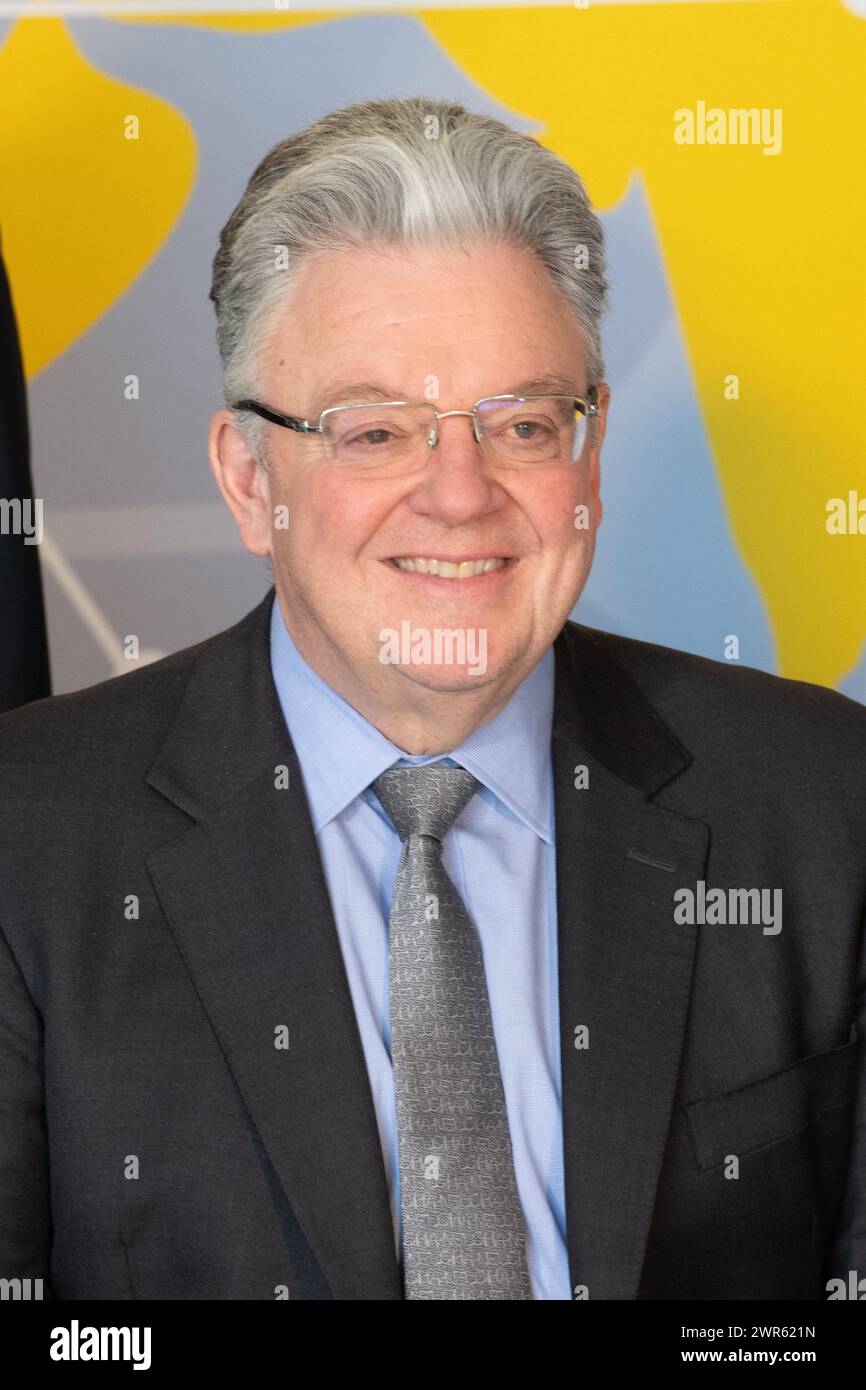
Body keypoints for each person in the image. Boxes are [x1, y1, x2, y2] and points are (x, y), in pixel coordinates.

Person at [1, 96, 864, 1301]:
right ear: (250, 481)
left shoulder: (824, 799)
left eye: (519, 423)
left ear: (589, 456)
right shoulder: (27, 842)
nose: (458, 495)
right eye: (373, 433)